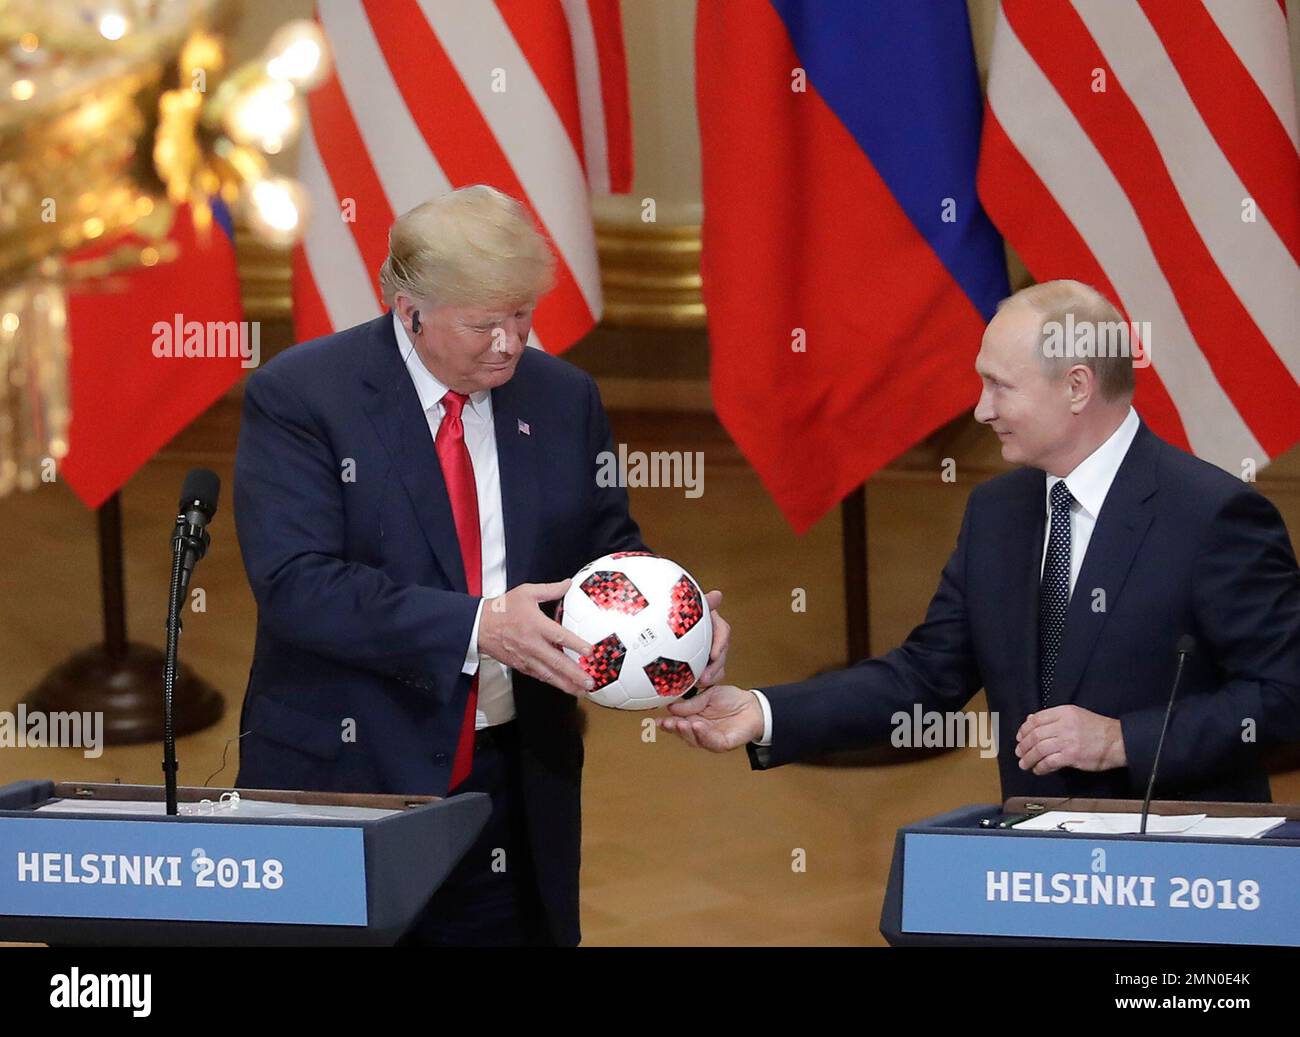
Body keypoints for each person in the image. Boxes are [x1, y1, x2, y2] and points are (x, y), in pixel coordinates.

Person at [233, 185, 730, 946]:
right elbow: (298, 585)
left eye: (522, 316)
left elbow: (608, 547)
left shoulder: (563, 398)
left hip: (514, 776)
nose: (509, 343)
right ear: (410, 310)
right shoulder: (304, 397)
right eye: (483, 324)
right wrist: (479, 626)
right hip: (352, 775)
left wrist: (680, 621)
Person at [661, 279, 1300, 803]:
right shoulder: (998, 512)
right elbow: (926, 675)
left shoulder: (1214, 517)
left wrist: (1122, 740)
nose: (980, 410)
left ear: (1077, 386)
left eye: (1001, 385)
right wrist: (763, 712)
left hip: (1183, 881)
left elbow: (1282, 697)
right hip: (1030, 875)